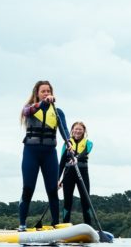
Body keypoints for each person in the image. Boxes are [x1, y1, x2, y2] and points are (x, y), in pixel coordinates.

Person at [18, 80, 64, 231]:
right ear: (37, 93)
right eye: (43, 91)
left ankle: (56, 224)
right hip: (31, 152)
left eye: (48, 91)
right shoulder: (29, 108)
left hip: (50, 154)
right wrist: (43, 103)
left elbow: (64, 130)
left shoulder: (58, 112)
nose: (46, 93)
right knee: (28, 188)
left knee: (52, 190)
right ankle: (22, 224)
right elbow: (27, 112)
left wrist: (69, 143)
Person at [58, 121, 94, 225]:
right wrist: (58, 179)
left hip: (82, 173)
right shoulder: (67, 143)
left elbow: (85, 153)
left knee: (85, 200)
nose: (77, 131)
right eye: (76, 129)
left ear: (84, 131)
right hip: (68, 173)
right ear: (72, 130)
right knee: (67, 200)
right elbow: (62, 162)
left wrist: (76, 158)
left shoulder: (88, 143)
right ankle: (65, 224)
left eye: (80, 129)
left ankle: (88, 225)